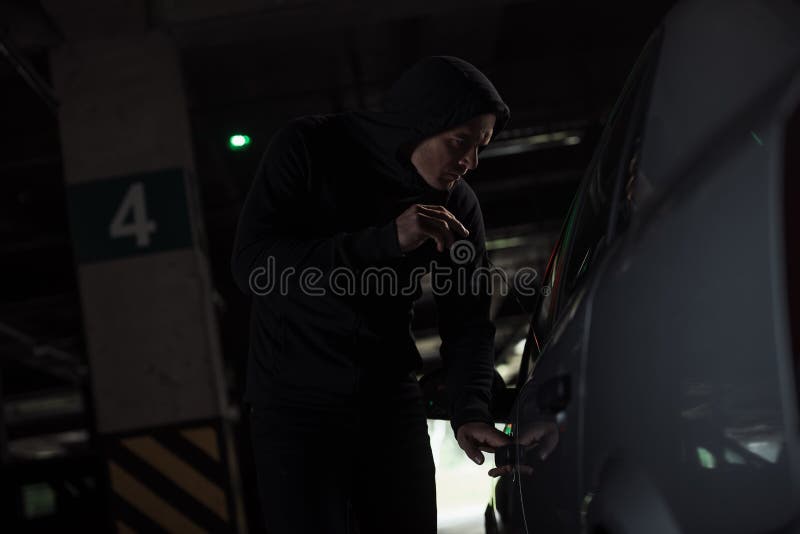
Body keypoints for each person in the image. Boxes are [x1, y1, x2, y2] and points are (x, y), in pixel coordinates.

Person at [231, 56, 511, 533]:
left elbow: (466, 320)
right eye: (459, 142)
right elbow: (253, 267)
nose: (469, 162)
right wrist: (384, 242)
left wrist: (470, 409)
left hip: (389, 402)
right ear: (419, 124)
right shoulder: (309, 147)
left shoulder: (457, 204)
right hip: (294, 406)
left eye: (480, 147)